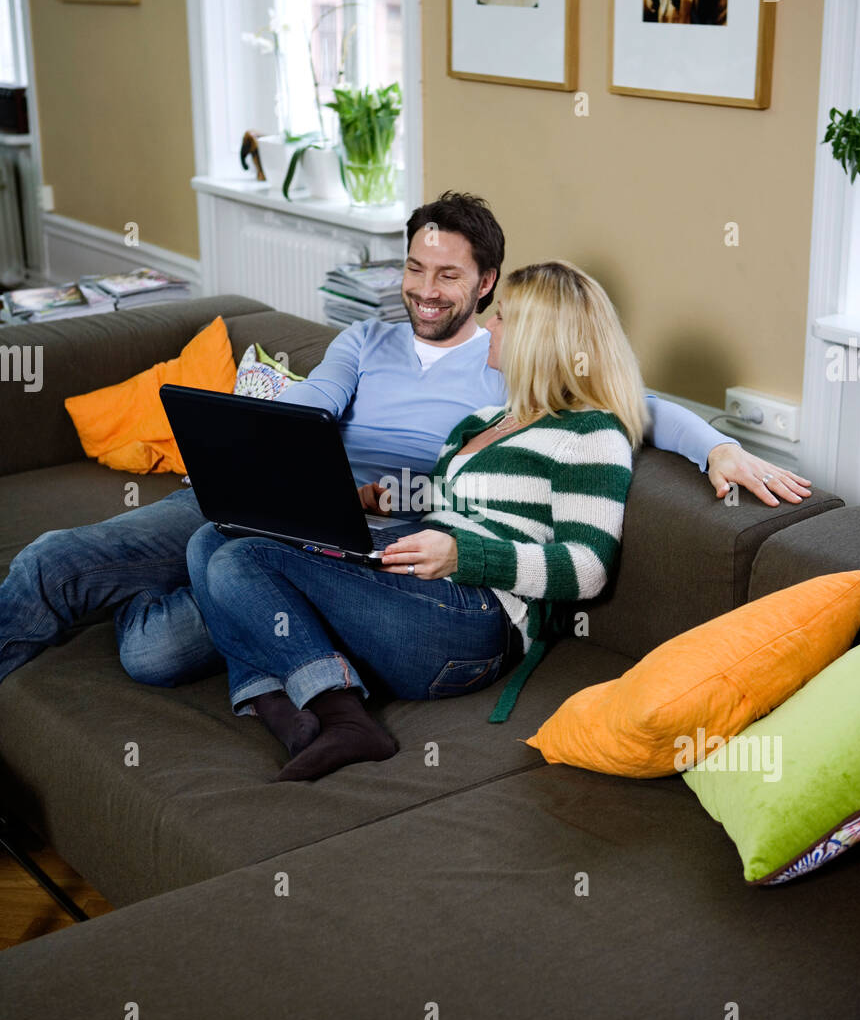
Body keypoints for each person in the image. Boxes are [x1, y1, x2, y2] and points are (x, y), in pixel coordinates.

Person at [0, 193, 810, 687]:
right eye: (415, 269)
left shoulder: (510, 361)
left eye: (447, 275)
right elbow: (304, 419)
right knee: (50, 559)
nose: (424, 290)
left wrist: (718, 448)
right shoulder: (364, 342)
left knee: (152, 654)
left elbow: (630, 396)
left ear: (486, 281)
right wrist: (260, 452)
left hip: (377, 526)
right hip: (282, 494)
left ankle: (222, 595)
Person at [185, 261, 646, 782]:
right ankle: (278, 705)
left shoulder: (591, 435)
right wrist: (380, 500)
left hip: (474, 619)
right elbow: (458, 501)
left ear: (543, 338)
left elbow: (588, 568)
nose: (488, 325)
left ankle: (344, 719)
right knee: (213, 537)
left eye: (504, 317)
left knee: (245, 560)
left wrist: (463, 555)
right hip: (413, 585)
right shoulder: (485, 422)